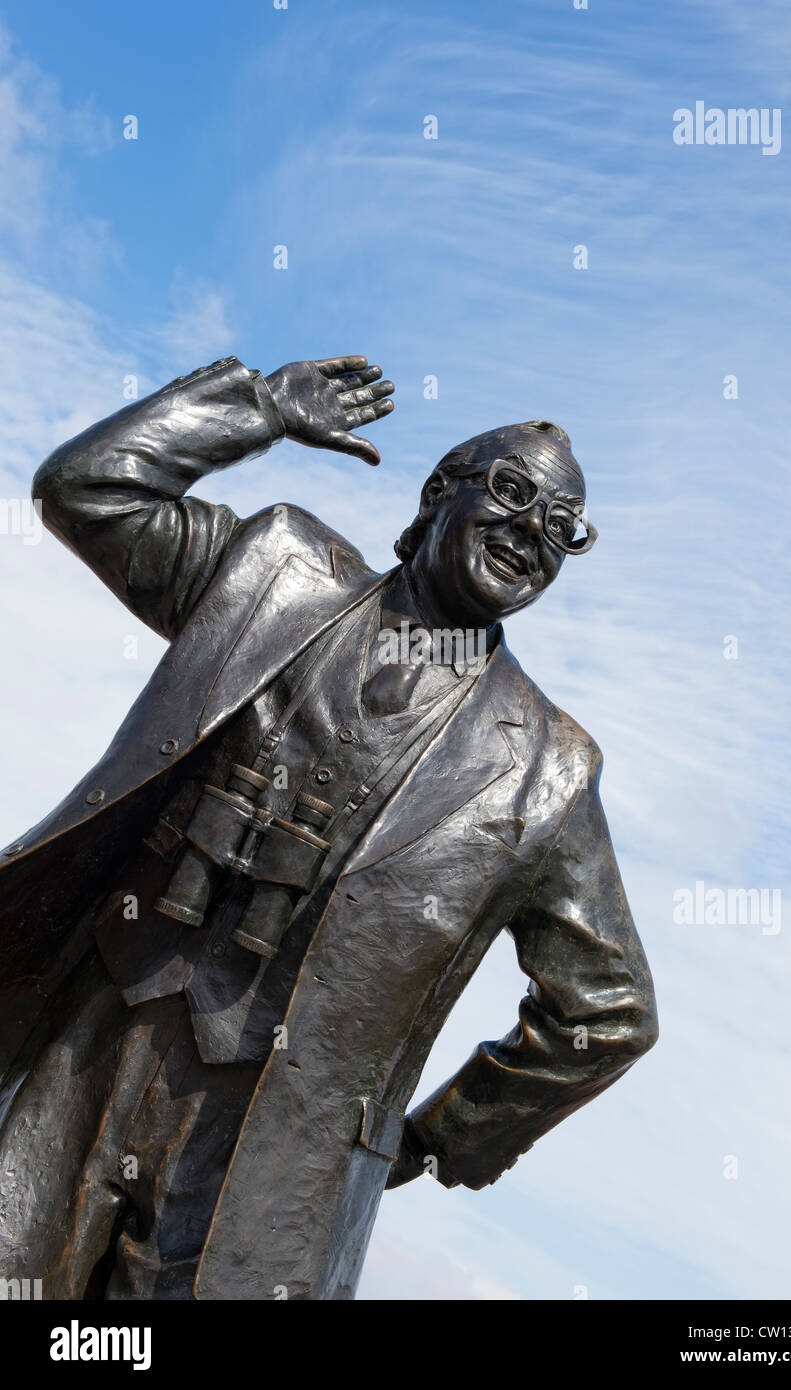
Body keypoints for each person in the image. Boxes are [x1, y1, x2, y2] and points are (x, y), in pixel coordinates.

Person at [0, 352, 657, 1300]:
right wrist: (257, 409)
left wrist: (433, 1136)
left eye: (562, 530)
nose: (530, 534)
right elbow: (86, 489)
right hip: (90, 1048)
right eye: (510, 494)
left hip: (269, 1166)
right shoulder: (275, 572)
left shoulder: (544, 770)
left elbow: (608, 1013)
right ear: (438, 495)